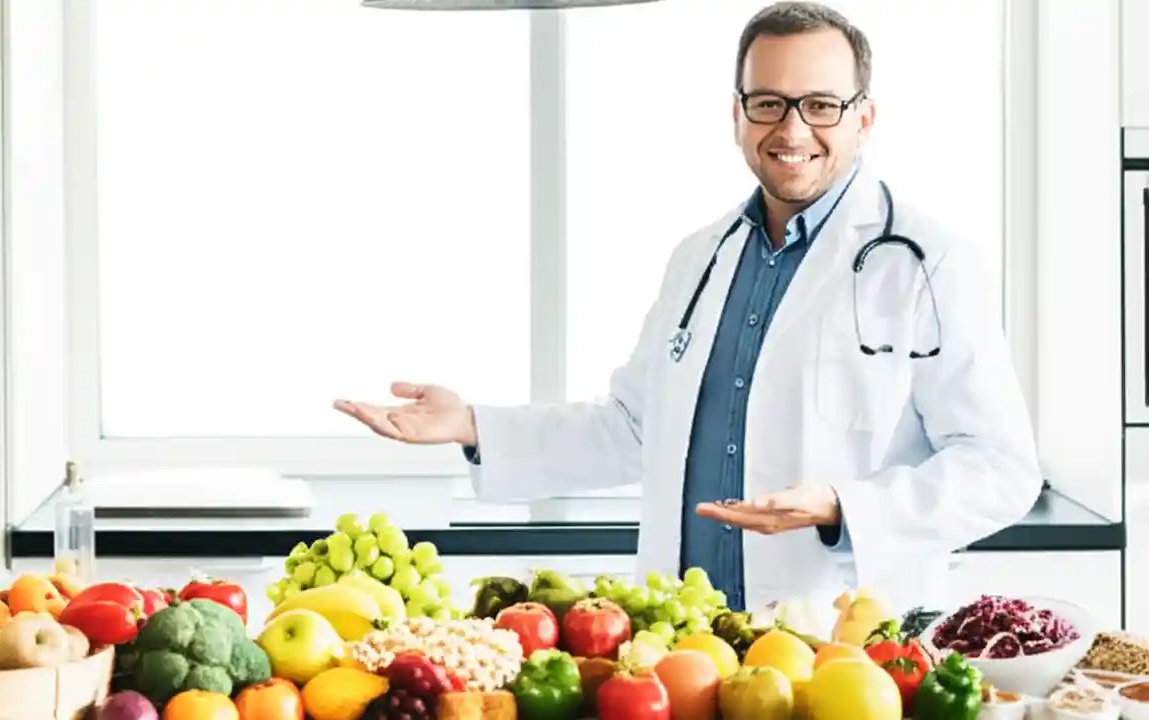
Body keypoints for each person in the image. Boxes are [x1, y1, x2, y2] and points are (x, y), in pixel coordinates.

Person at [334, 1, 1042, 631]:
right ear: (737, 114)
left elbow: (1003, 469)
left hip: (839, 645)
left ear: (865, 116)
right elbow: (633, 429)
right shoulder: (699, 258)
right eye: (768, 102)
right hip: (688, 646)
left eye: (821, 104)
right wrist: (474, 425)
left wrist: (840, 505)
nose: (793, 128)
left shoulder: (925, 263)